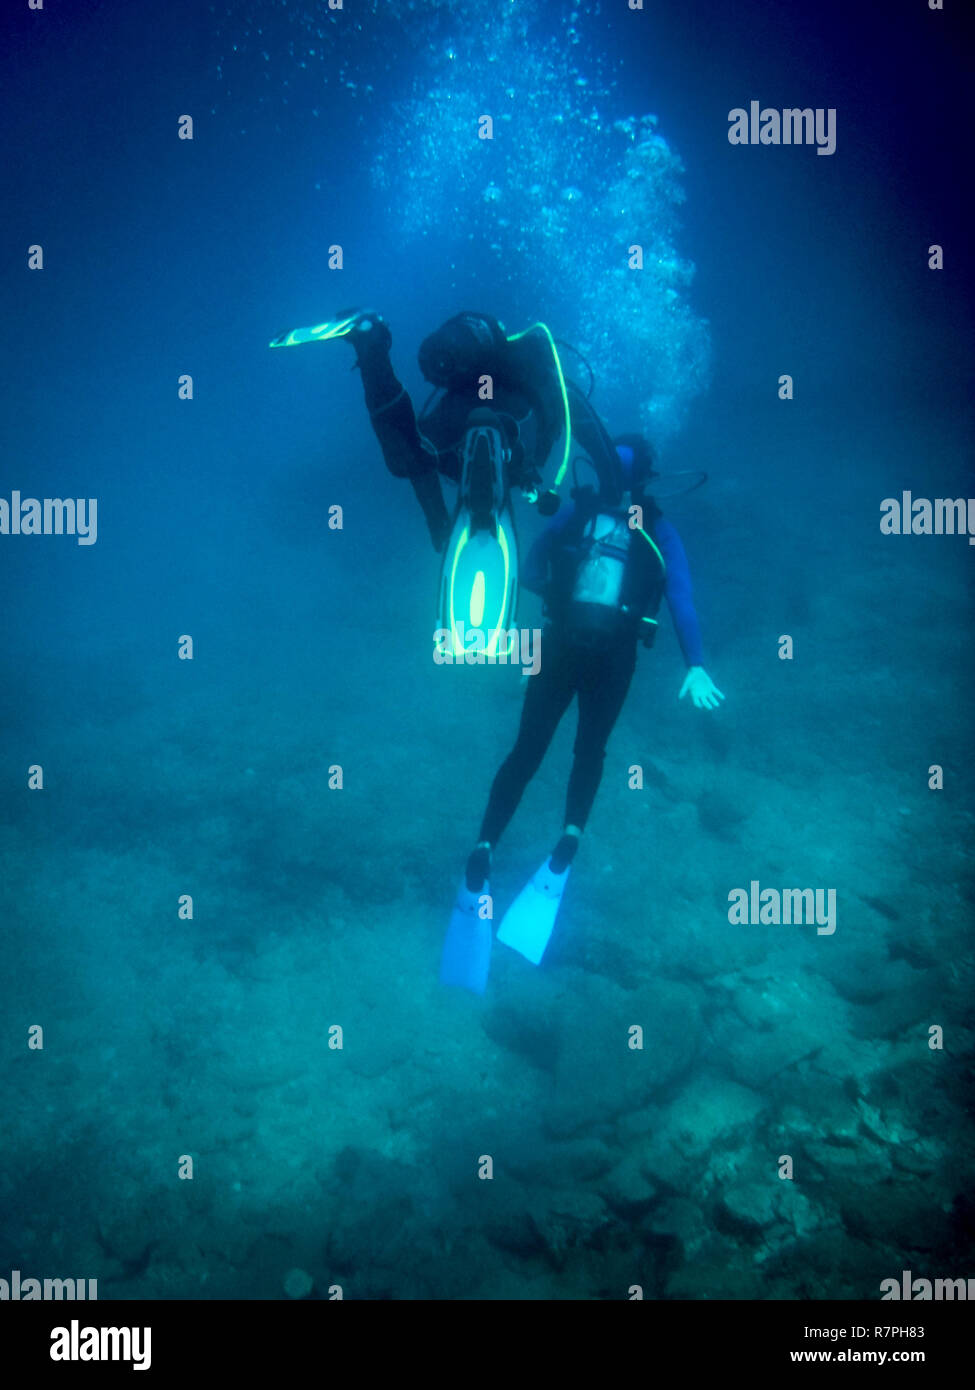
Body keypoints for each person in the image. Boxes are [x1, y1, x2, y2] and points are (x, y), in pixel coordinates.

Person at [440, 433, 724, 992]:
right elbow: (681, 598)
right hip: (614, 659)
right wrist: (695, 663)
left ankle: (484, 847)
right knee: (589, 752)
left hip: (558, 645)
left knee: (525, 752)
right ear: (648, 477)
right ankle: (566, 844)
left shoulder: (583, 508)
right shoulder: (658, 527)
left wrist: (527, 640)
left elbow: (528, 566)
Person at [338, 308, 625, 551]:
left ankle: (371, 347)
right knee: (439, 455)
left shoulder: (467, 388)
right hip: (511, 449)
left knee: (409, 455)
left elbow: (419, 466)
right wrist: (611, 500)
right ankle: (500, 447)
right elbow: (601, 449)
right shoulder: (556, 387)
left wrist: (439, 526)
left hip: (461, 435)